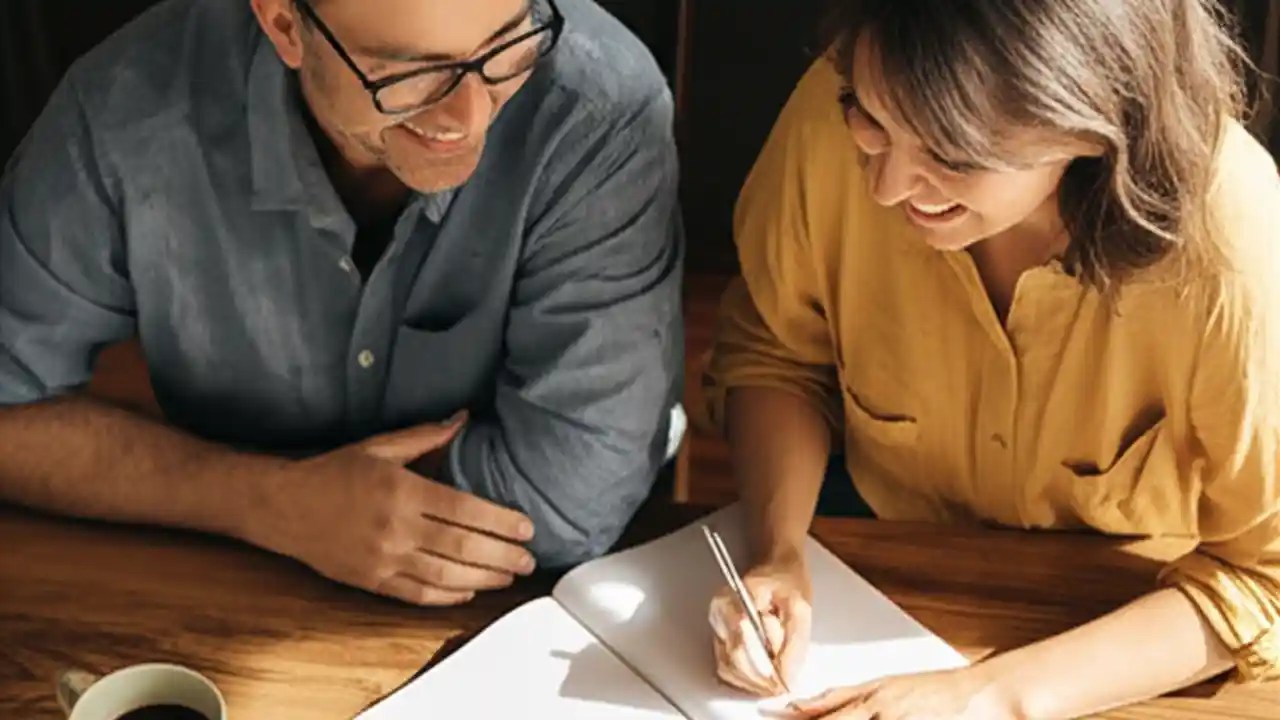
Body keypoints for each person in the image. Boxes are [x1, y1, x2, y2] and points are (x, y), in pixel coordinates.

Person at [0, 0, 683, 608]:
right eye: (410, 70)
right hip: (220, 584)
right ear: (285, 26)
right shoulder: (127, 109)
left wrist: (316, 503)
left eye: (506, 43)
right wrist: (264, 501)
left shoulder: (597, 108)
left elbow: (576, 498)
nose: (471, 119)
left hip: (526, 610)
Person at [705, 0, 1280, 717]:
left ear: (1092, 122)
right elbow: (777, 356)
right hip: (879, 561)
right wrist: (778, 551)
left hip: (1134, 622)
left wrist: (990, 697)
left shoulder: (1231, 242)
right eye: (871, 123)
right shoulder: (836, 109)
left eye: (952, 154)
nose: (884, 188)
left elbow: (1262, 577)